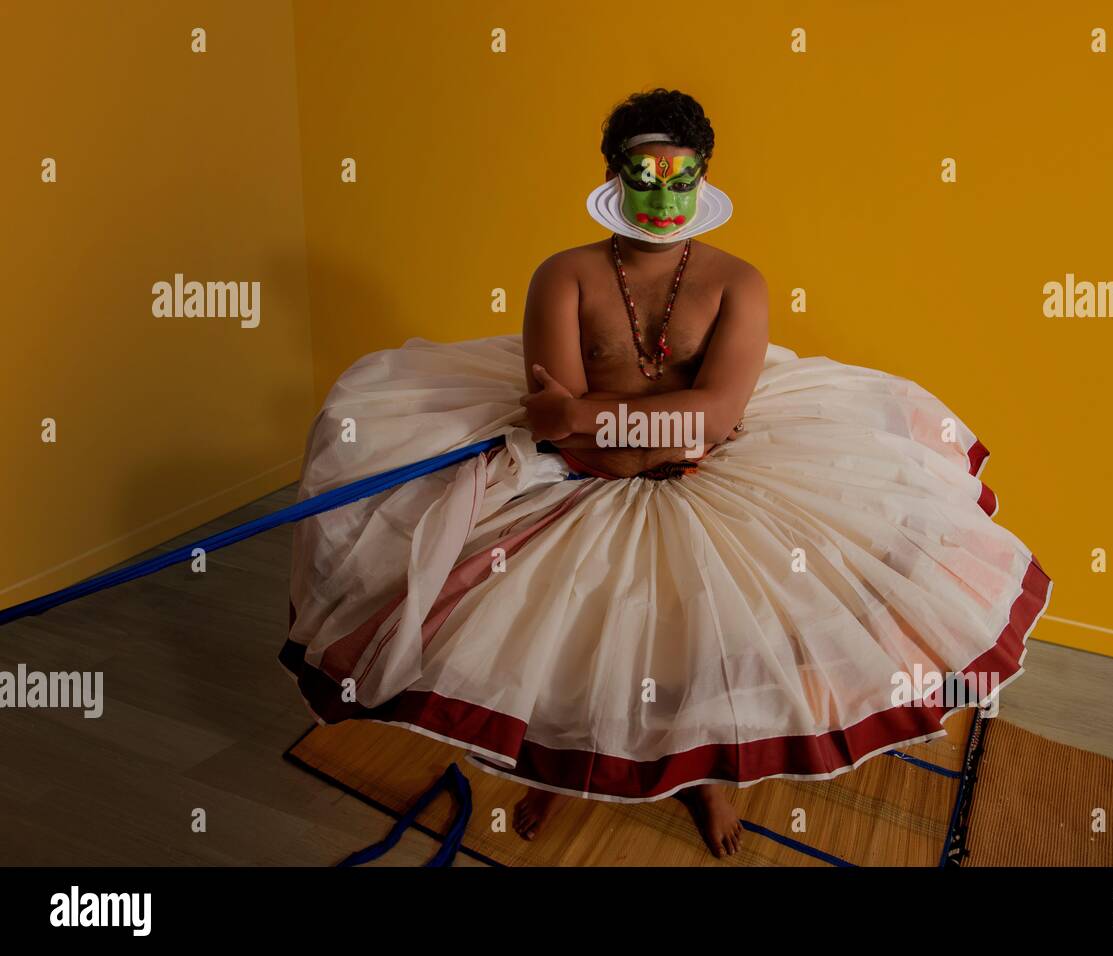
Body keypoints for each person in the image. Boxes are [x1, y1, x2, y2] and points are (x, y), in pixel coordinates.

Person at [282, 88, 1052, 859]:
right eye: (643, 175)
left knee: (703, 647)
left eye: (680, 177)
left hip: (708, 478)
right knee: (576, 648)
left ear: (704, 174)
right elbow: (556, 424)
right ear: (613, 173)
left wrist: (590, 415)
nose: (662, 195)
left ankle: (703, 779)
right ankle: (558, 774)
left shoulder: (738, 282)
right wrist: (616, 426)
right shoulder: (564, 275)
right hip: (576, 482)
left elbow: (708, 421)